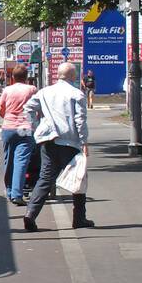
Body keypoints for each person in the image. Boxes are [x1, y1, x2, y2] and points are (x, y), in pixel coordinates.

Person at [22, 61, 94, 231]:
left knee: (45, 178)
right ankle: (79, 218)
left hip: (48, 139)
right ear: (72, 76)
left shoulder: (45, 92)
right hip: (70, 141)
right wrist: (84, 142)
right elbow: (80, 120)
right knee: (79, 178)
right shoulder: (77, 94)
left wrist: (34, 126)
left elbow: (28, 108)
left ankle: (30, 214)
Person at [0, 62, 37, 206]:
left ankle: (9, 191)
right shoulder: (32, 89)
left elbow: (0, 109)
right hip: (24, 127)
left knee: (8, 160)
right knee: (21, 161)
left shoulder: (7, 90)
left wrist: (8, 118)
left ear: (13, 77)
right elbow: (37, 109)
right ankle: (17, 194)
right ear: (27, 77)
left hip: (8, 127)